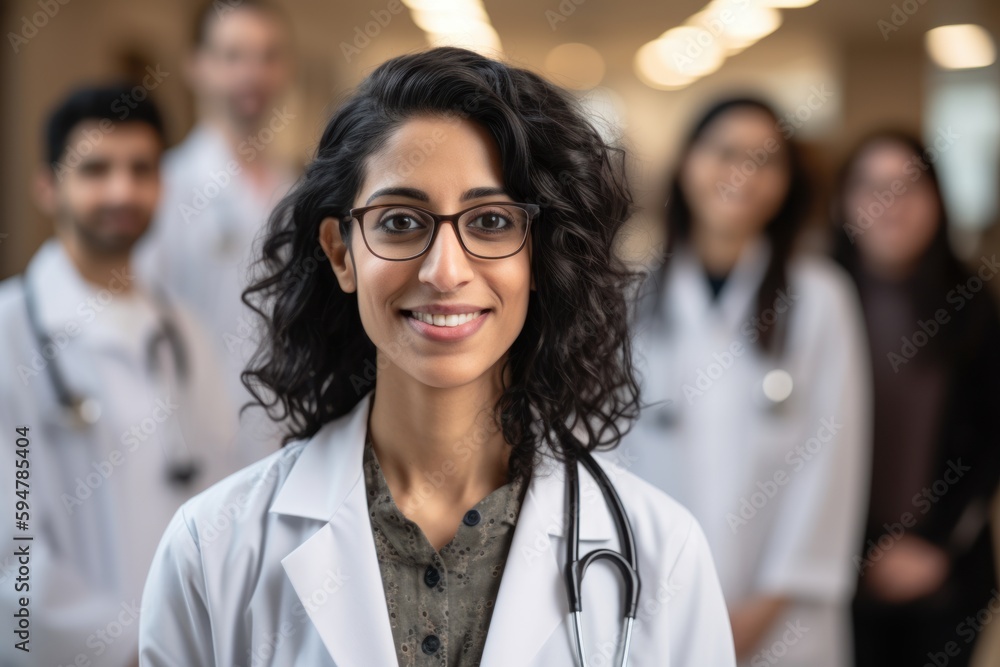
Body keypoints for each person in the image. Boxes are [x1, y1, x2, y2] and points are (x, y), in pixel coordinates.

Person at [138, 47, 738, 666]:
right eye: (400, 221)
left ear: (541, 256)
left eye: (491, 222)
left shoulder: (661, 553)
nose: (445, 271)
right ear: (342, 253)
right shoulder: (210, 550)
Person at [615, 98, 872, 666]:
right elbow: (604, 453)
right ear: (686, 164)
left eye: (766, 161)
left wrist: (772, 600)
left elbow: (833, 458)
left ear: (788, 183)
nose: (743, 174)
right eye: (724, 152)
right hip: (651, 599)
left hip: (783, 615)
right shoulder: (628, 295)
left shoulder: (820, 298)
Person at [0, 84, 237, 667]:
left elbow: (226, 495)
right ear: (48, 186)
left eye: (142, 169)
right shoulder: (10, 334)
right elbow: (12, 552)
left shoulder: (185, 332)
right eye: (96, 169)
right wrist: (128, 645)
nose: (122, 190)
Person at [832, 130, 1000, 667]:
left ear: (937, 201)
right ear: (844, 203)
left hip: (942, 572)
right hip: (832, 570)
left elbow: (991, 438)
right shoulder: (812, 300)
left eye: (909, 187)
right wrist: (857, 553)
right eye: (872, 187)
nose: (891, 205)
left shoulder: (972, 305)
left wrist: (934, 544)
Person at [133, 0, 296, 464]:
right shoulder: (165, 187)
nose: (253, 73)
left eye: (268, 56)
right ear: (197, 67)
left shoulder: (300, 192)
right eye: (233, 56)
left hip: (286, 439)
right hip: (190, 448)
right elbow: (143, 326)